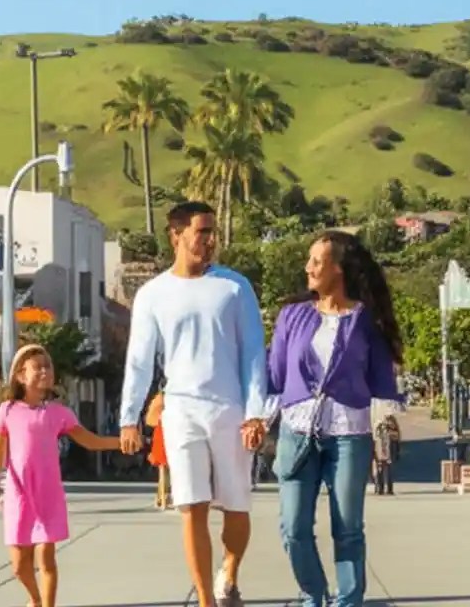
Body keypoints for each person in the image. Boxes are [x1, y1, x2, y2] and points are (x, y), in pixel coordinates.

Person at [118, 201, 268, 607]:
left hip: (230, 410)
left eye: (212, 232)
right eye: (202, 232)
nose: (211, 239)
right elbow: (139, 359)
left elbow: (254, 353)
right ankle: (204, 599)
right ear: (177, 235)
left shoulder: (235, 288)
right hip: (181, 410)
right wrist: (129, 417)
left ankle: (230, 571)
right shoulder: (153, 295)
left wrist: (256, 411)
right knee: (191, 506)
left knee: (236, 506)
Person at [268, 230, 406, 607]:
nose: (308, 268)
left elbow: (381, 383)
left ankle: (348, 602)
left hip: (349, 435)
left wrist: (384, 432)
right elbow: (275, 377)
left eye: (317, 261)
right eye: (310, 260)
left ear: (339, 269)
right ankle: (313, 596)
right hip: (297, 434)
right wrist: (257, 420)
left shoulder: (365, 321)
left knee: (348, 529)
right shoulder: (292, 316)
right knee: (293, 527)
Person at [0, 343, 124, 607]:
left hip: (48, 495)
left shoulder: (58, 413)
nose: (45, 371)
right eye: (38, 367)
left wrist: (121, 442)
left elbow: (91, 441)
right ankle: (35, 599)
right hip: (19, 496)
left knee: (46, 558)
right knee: (19, 567)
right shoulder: (7, 411)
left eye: (48, 366)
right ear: (21, 375)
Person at [146, 391, 170, 510]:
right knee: (166, 468)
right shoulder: (163, 398)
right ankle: (164, 496)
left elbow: (150, 420)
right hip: (167, 433)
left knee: (163, 469)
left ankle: (162, 496)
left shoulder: (160, 398)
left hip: (162, 432)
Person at [372, 415, 401, 496]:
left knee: (387, 471)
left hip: (387, 453)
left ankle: (387, 489)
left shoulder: (392, 431)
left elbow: (397, 442)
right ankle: (380, 488)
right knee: (380, 470)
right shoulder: (380, 429)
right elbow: (375, 440)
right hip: (381, 452)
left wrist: (397, 452)